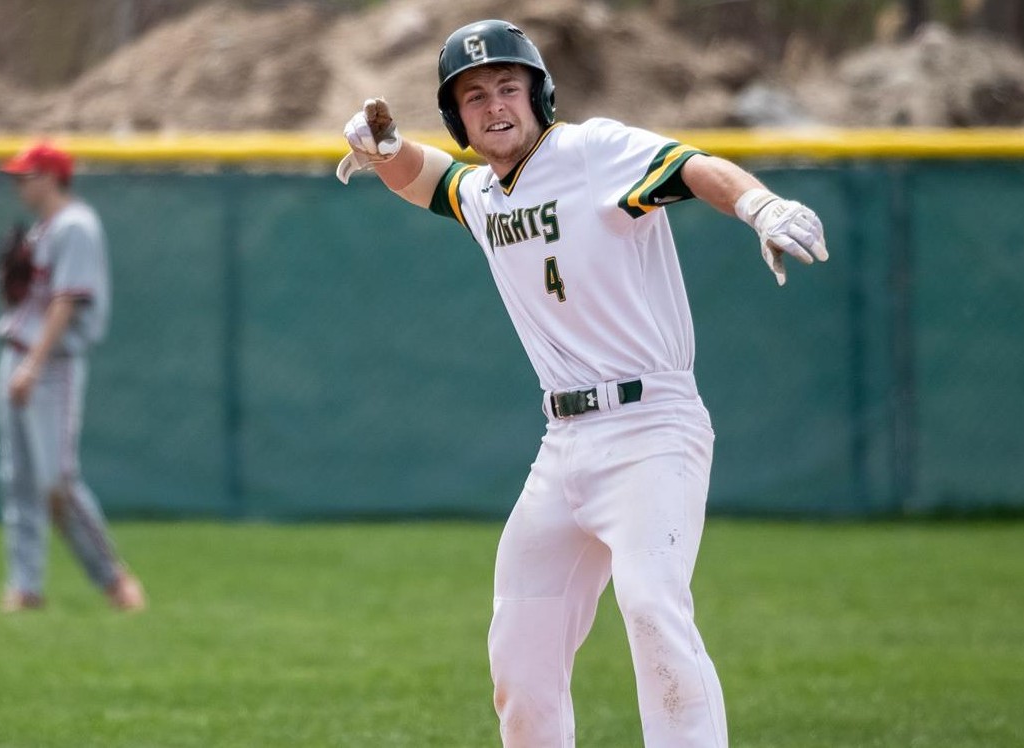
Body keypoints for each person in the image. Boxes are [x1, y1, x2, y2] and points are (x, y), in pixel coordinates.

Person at [337, 20, 827, 747]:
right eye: (473, 96)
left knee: (653, 608)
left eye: (509, 87)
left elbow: (690, 166)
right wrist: (383, 151)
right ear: (456, 117)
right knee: (520, 650)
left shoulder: (591, 150)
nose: (495, 104)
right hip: (563, 444)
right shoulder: (488, 193)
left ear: (540, 94)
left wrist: (758, 204)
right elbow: (433, 181)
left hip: (650, 427)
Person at [0, 142, 145, 613]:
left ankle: (114, 579)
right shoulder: (43, 229)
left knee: (56, 480)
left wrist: (33, 364)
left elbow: (67, 301)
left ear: (51, 177)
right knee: (19, 481)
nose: (19, 184)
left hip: (49, 363)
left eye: (26, 175)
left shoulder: (77, 225)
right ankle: (25, 587)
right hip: (16, 353)